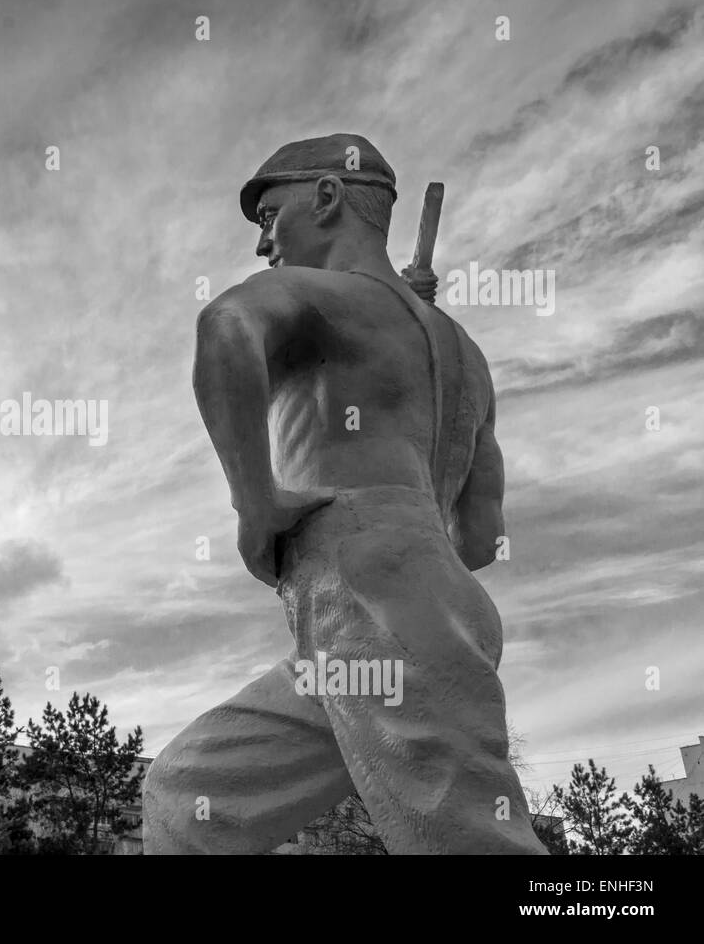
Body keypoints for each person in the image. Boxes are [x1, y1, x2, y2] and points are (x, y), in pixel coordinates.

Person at [141, 134, 547, 854]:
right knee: (185, 798)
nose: (264, 243)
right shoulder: (468, 360)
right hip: (401, 606)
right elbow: (478, 543)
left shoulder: (313, 296)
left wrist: (255, 501)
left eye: (269, 214)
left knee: (463, 839)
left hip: (371, 597)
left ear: (327, 197)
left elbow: (224, 327)